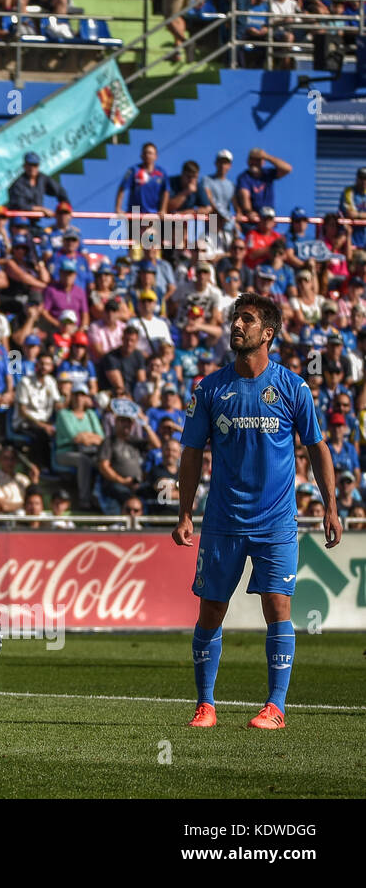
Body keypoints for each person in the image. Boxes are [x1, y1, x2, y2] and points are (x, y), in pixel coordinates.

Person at [174, 292, 340, 731]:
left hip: (277, 523)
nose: (236, 325)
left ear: (267, 333)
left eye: (246, 319)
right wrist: (184, 513)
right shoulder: (209, 389)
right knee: (211, 610)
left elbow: (318, 447)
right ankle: (205, 705)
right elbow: (191, 454)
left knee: (277, 606)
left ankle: (275, 707)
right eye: (234, 318)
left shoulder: (292, 387)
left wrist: (331, 507)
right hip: (223, 522)